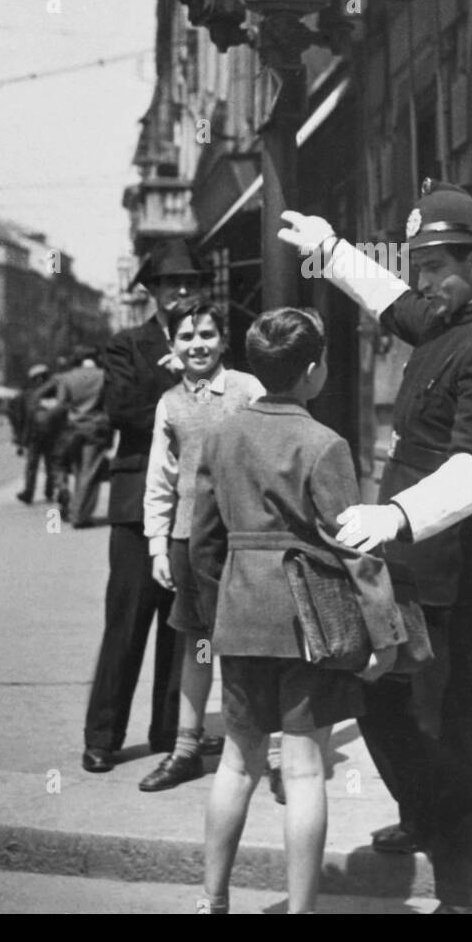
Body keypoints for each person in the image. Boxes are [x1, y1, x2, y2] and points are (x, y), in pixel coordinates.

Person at [278, 181, 472, 915]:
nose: (422, 281)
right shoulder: (446, 316)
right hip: (407, 559)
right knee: (381, 699)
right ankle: (423, 814)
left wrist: (393, 515)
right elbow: (394, 302)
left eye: (434, 266)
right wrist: (330, 251)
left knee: (456, 719)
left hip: (452, 564)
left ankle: (470, 892)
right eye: (417, 265)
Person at [190, 307, 399, 915]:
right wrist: (383, 632)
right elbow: (353, 546)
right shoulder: (323, 444)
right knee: (305, 770)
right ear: (311, 372)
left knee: (237, 761)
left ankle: (213, 900)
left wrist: (217, 610)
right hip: (310, 622)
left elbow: (201, 539)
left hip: (241, 613)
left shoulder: (222, 436)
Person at [80, 239, 208, 774]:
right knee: (127, 622)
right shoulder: (127, 345)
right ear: (152, 292)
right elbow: (121, 410)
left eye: (189, 283)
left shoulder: (208, 341)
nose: (182, 292)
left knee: (183, 627)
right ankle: (102, 737)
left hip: (194, 506)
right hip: (137, 505)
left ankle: (168, 731)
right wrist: (175, 375)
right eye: (170, 284)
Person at [139, 300, 263, 793]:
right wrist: (156, 544)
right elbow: (160, 479)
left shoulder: (248, 390)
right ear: (172, 346)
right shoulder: (168, 404)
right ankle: (186, 749)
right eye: (187, 337)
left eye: (207, 335)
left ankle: (265, 752)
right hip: (189, 541)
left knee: (252, 645)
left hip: (243, 538)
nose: (198, 345)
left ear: (223, 340)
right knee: (198, 644)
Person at [53, 347, 111, 528]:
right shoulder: (103, 375)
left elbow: (61, 404)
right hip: (95, 429)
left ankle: (75, 509)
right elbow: (110, 403)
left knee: (78, 471)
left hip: (73, 429)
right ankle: (80, 516)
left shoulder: (67, 377)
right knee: (90, 473)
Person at [13, 364, 57, 504]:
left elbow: (21, 419)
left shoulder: (28, 395)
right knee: (50, 465)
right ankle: (47, 491)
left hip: (35, 436)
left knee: (33, 466)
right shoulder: (56, 393)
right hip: (49, 435)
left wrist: (20, 441)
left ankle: (30, 493)